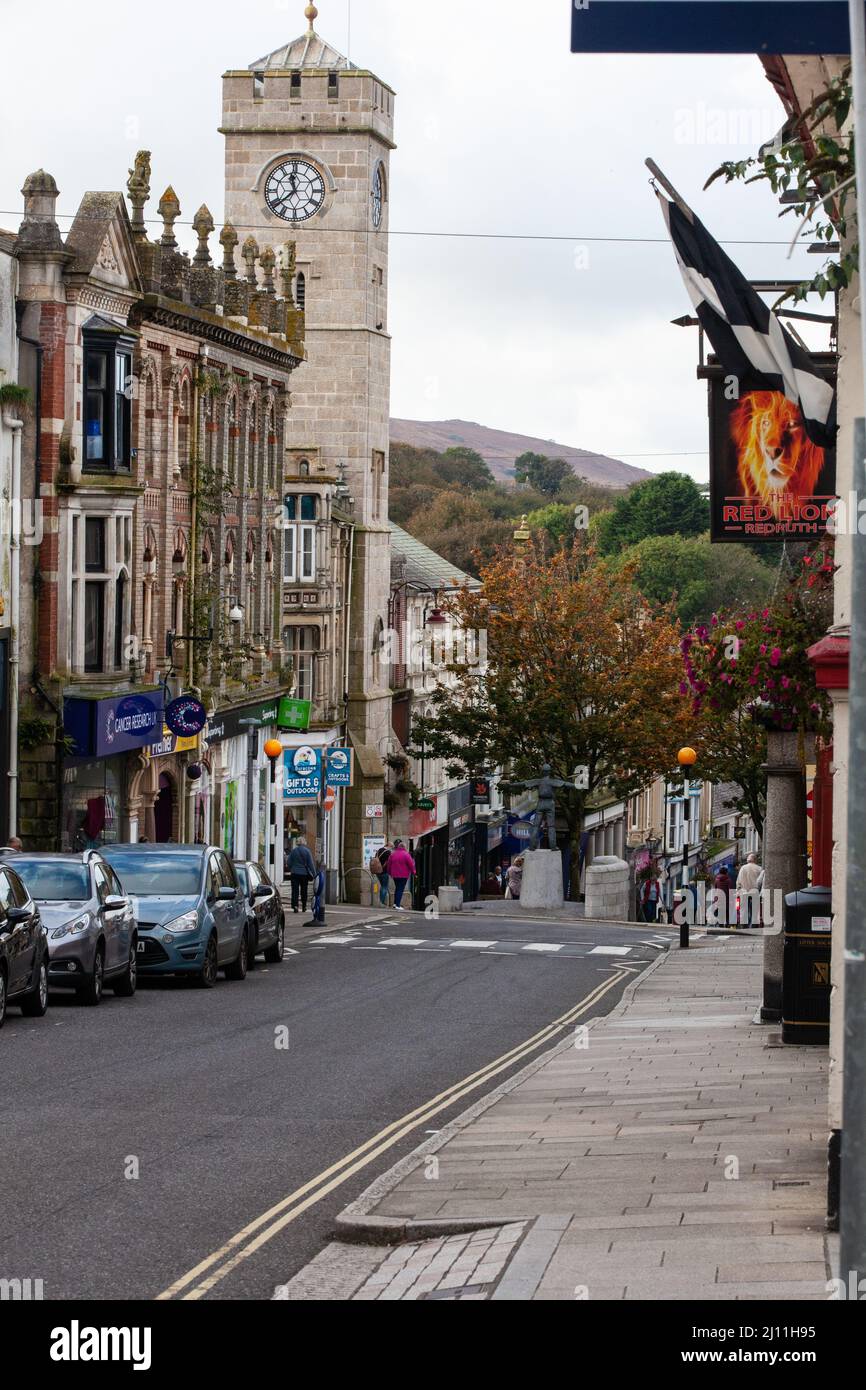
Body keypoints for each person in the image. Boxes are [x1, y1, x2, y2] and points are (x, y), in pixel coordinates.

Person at [287, 837, 316, 914]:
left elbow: (288, 862)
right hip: (304, 874)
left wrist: (292, 868)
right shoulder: (307, 851)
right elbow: (311, 864)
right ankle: (304, 906)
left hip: (294, 873)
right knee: (304, 890)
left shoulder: (293, 851)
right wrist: (314, 874)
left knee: (295, 890)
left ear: (297, 842)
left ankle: (295, 906)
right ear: (304, 842)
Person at [386, 839, 416, 910]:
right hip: (403, 875)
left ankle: (395, 903)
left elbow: (389, 864)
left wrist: (389, 872)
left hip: (394, 875)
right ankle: (397, 905)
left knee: (397, 888)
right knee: (400, 889)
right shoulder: (406, 854)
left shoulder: (393, 854)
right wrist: (414, 872)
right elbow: (411, 865)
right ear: (404, 847)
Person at [736, 853, 763, 927]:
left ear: (748, 860)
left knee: (743, 909)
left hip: (744, 891)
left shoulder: (742, 868)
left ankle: (744, 925)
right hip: (755, 891)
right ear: (755, 860)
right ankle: (754, 925)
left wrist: (738, 890)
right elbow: (761, 882)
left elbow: (738, 881)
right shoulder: (759, 868)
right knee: (755, 910)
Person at [375, 840, 394, 907]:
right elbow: (389, 863)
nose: (392, 849)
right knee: (384, 886)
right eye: (392, 847)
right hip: (384, 871)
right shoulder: (388, 852)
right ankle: (381, 902)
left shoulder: (379, 850)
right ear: (389, 846)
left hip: (377, 871)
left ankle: (381, 901)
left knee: (382, 886)